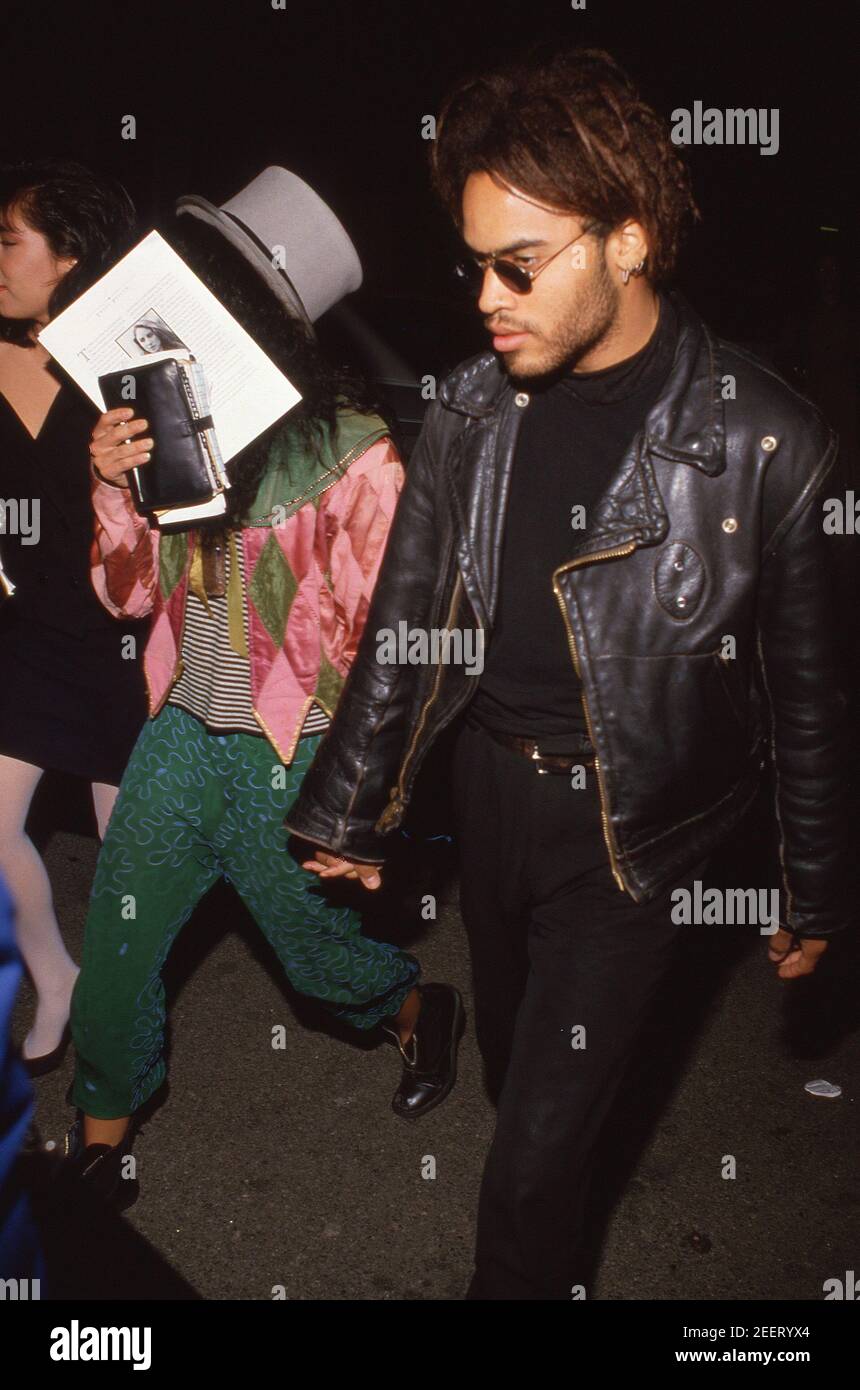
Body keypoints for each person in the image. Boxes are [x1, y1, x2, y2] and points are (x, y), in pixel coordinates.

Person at [283, 47, 857, 1298]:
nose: (485, 297)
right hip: (487, 798)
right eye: (473, 263)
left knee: (533, 1166)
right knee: (515, 1079)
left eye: (518, 266)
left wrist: (814, 886)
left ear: (631, 241)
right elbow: (406, 618)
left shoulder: (768, 446)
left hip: (637, 835)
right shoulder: (471, 413)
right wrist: (354, 803)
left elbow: (810, 699)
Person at [63, 169, 464, 1205]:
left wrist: (364, 803)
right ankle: (101, 1143)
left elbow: (397, 645)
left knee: (323, 965)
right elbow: (125, 597)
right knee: (115, 946)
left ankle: (420, 1008)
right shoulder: (168, 422)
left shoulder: (352, 457)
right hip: (179, 737)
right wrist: (112, 486)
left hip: (292, 753)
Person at [0, 160, 148, 1075]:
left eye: (10, 242)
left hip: (119, 640)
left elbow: (175, 522)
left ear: (69, 258)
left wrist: (116, 472)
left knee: (130, 869)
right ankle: (53, 973)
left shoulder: (126, 370)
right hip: (23, 638)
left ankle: (120, 1033)